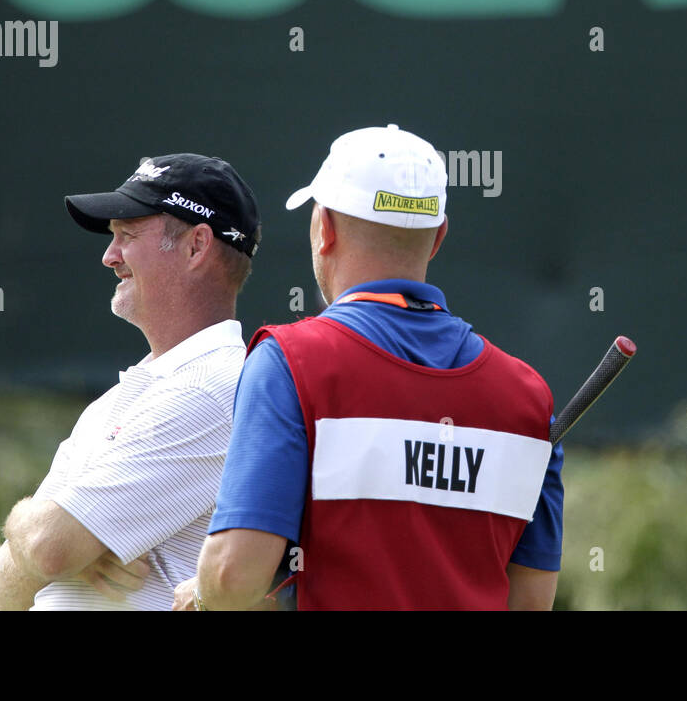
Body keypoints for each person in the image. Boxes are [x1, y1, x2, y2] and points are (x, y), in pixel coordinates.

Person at [175, 124, 563, 610]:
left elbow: (234, 577)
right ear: (438, 236)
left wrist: (207, 591)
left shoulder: (289, 362)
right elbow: (531, 602)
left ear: (325, 228)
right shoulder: (527, 397)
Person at [0, 153, 262, 610]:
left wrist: (31, 529)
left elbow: (45, 549)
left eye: (128, 235)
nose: (108, 257)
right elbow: (8, 588)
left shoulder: (211, 388)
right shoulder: (118, 400)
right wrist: (51, 545)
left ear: (197, 247)